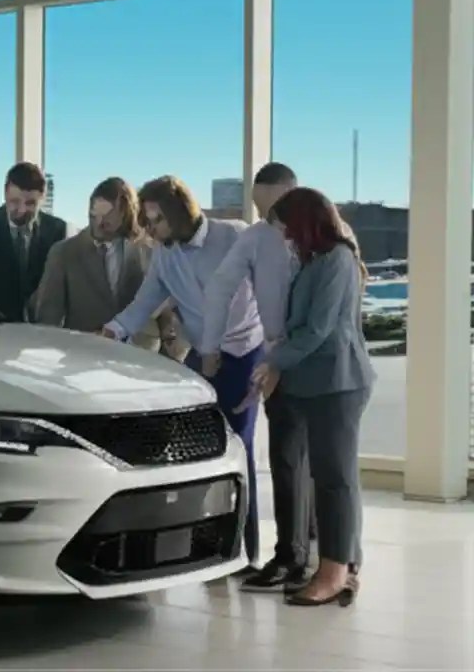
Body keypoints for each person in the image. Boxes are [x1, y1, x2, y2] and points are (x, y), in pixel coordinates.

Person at [99, 175, 264, 567]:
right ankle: (206, 547)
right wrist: (111, 331)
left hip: (243, 353)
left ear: (177, 213)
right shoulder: (164, 255)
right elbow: (144, 304)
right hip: (202, 356)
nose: (149, 229)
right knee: (194, 450)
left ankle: (246, 551)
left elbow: (258, 296)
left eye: (155, 220)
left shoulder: (234, 236)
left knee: (238, 449)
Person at [201, 162, 342, 592]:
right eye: (261, 210)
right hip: (277, 353)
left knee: (323, 465)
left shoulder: (333, 242)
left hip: (321, 366)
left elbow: (331, 317)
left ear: (294, 196)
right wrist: (210, 347)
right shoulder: (256, 237)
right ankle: (290, 555)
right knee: (284, 457)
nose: (269, 220)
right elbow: (223, 286)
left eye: (275, 210)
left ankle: (323, 555)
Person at [243, 187, 374, 607]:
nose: (283, 238)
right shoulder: (313, 259)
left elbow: (318, 329)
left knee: (335, 479)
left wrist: (272, 362)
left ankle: (335, 572)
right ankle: (343, 566)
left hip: (338, 382)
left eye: (285, 228)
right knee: (331, 476)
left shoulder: (337, 260)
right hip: (315, 382)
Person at [31, 177, 188, 360]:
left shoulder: (151, 250)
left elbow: (167, 311)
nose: (98, 223)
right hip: (84, 361)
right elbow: (48, 322)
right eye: (93, 216)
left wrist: (170, 356)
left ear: (126, 214)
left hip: (142, 362)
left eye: (107, 218)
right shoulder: (63, 253)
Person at [0, 162, 68, 322]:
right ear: (5, 193)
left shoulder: (57, 230)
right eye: (15, 201)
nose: (22, 210)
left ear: (42, 198)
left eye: (30, 204)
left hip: (42, 334)